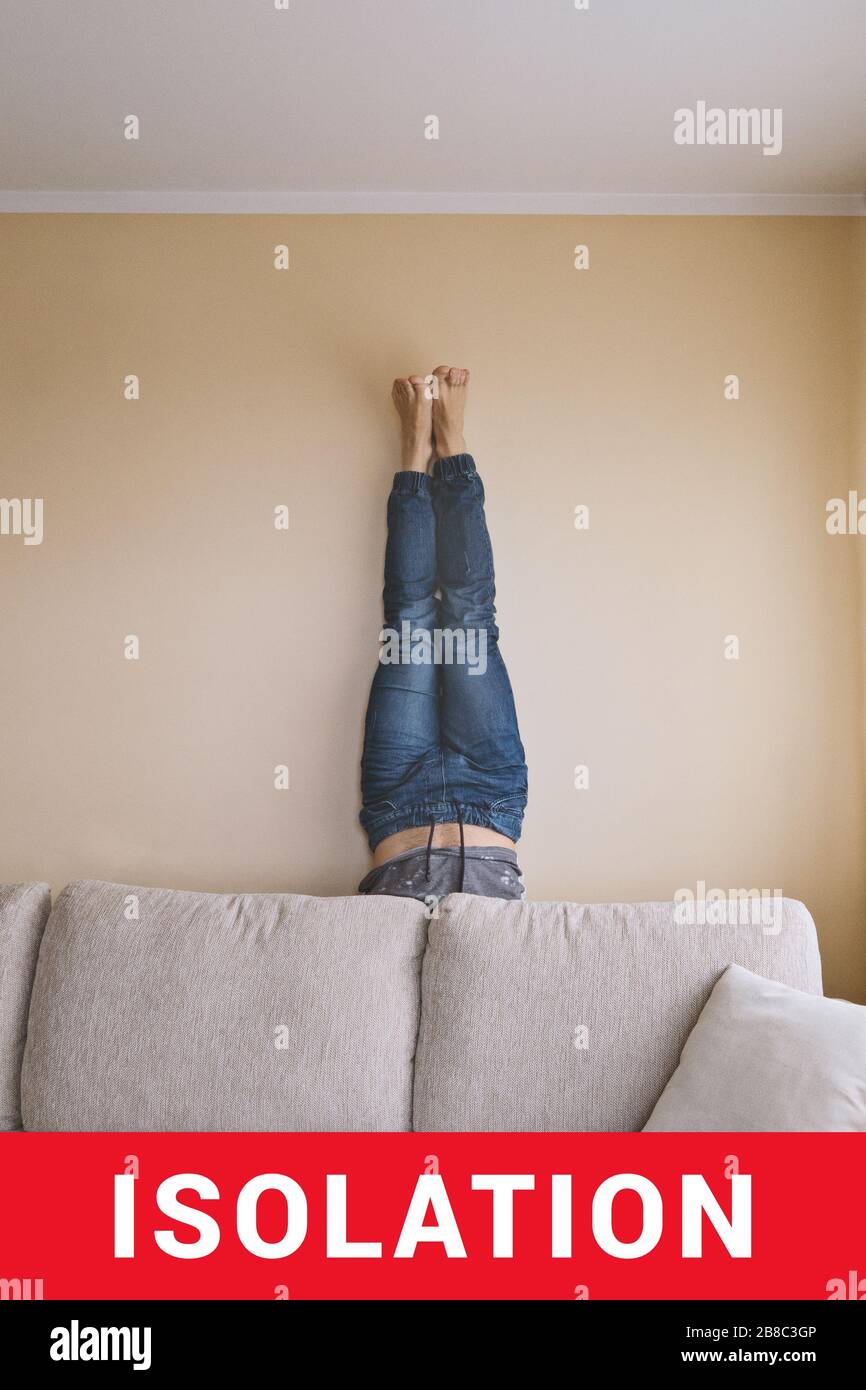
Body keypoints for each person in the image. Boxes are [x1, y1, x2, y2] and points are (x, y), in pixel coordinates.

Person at [358, 365, 528, 903]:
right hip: (490, 791)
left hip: (397, 796)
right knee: (469, 616)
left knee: (409, 618)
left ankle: (413, 455)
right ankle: (451, 446)